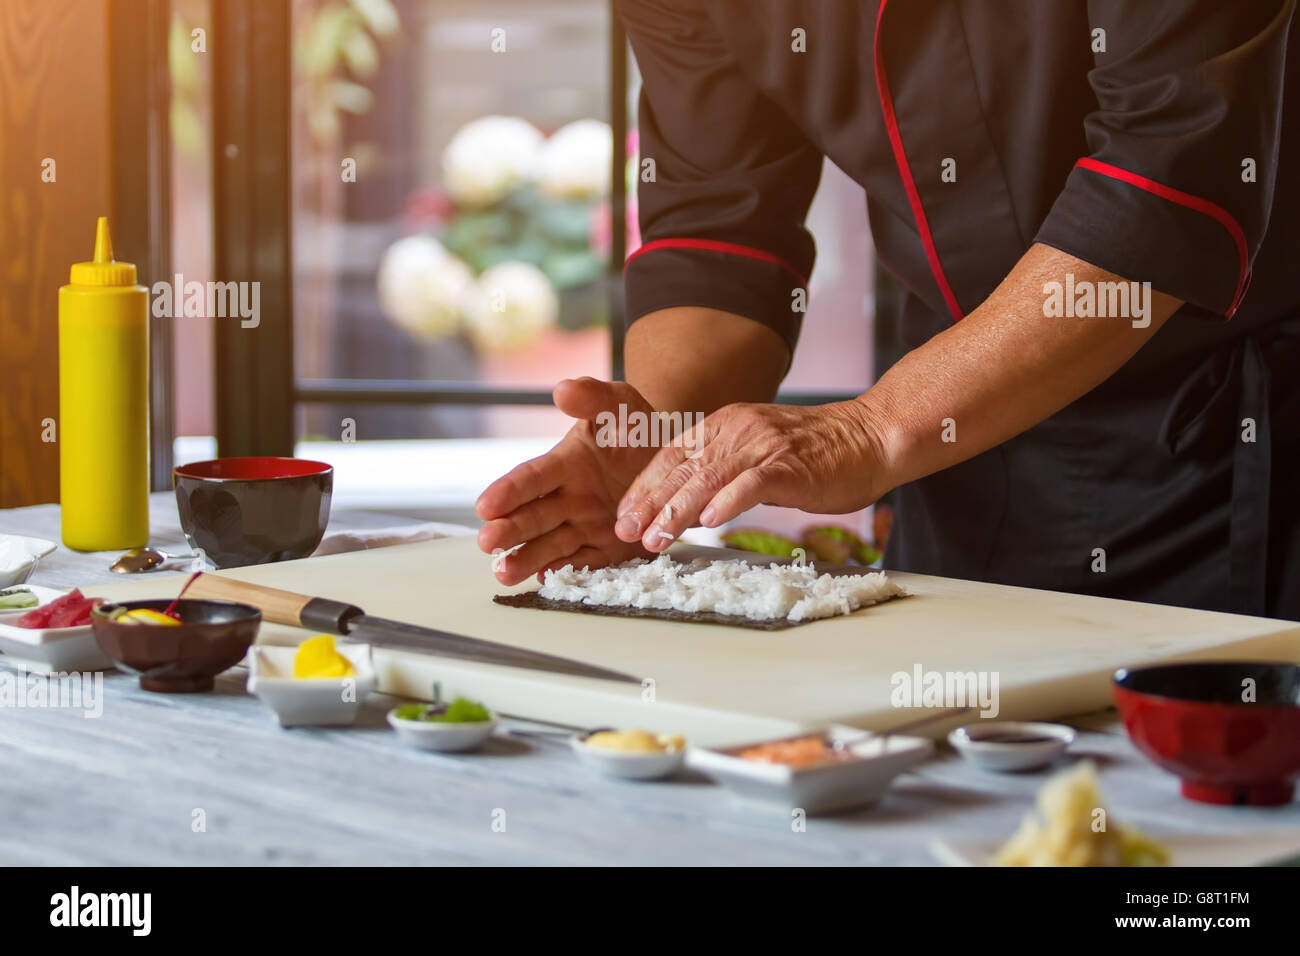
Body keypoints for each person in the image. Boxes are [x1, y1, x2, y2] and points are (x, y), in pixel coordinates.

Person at [478, 0, 1299, 618]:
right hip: (955, 440)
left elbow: (1172, 174)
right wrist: (661, 450)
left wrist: (871, 429)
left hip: (1232, 441)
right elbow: (717, 227)